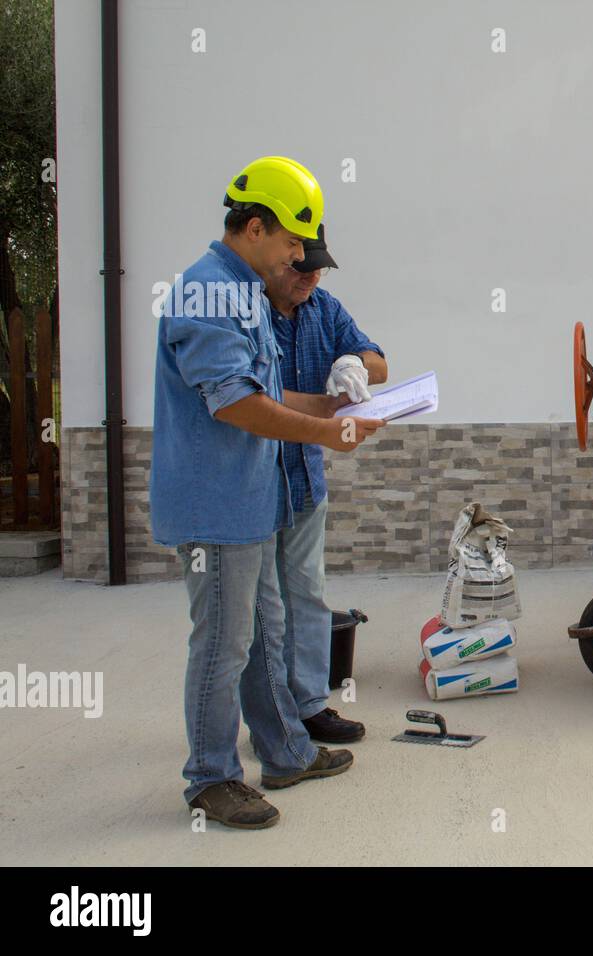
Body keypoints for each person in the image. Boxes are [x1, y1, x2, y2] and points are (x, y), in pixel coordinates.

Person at [150, 156, 385, 830]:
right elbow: (233, 404)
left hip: (249, 500)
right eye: (290, 243)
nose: (296, 258)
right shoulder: (208, 293)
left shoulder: (243, 291)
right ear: (253, 228)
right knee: (224, 645)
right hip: (215, 505)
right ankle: (210, 779)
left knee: (265, 632)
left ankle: (284, 751)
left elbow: (269, 395)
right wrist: (323, 430)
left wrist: (340, 413)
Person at [263, 223, 387, 743]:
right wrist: (325, 408)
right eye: (301, 266)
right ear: (276, 259)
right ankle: (269, 716)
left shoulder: (325, 309)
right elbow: (256, 394)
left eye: (319, 267)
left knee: (307, 594)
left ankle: (310, 706)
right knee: (262, 608)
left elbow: (380, 362)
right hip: (256, 481)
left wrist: (353, 361)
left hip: (306, 479)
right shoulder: (250, 314)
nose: (311, 276)